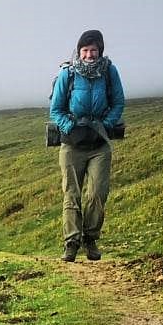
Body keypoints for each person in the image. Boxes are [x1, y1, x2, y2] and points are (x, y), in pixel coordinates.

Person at [49, 30, 125, 261]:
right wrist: (70, 128)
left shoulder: (110, 72)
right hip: (72, 146)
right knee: (71, 194)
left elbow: (118, 102)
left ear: (100, 50)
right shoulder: (68, 74)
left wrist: (105, 125)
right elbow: (56, 109)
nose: (89, 55)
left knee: (97, 193)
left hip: (99, 144)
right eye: (85, 50)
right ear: (79, 52)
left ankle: (90, 240)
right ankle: (71, 243)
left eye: (93, 50)